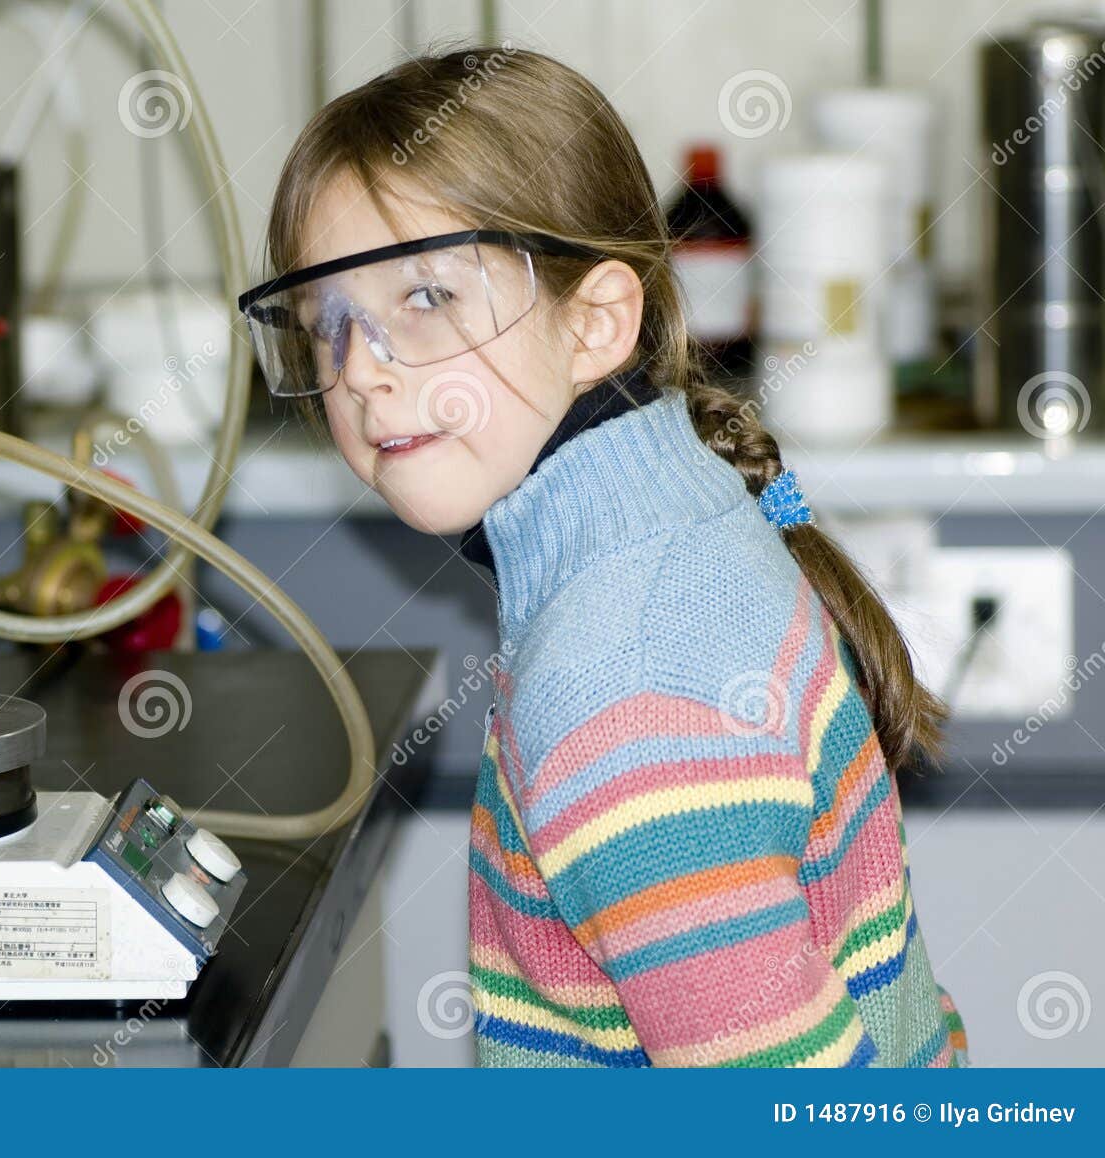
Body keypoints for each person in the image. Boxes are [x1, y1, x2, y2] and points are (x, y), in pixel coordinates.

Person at [239, 45, 969, 1067]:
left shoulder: (618, 694)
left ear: (595, 324)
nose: (361, 371)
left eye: (426, 298)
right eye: (328, 326)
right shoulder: (672, 531)